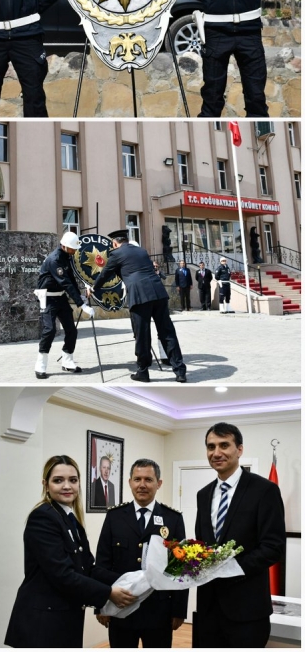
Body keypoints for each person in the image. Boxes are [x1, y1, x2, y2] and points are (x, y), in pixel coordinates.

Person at [4, 455, 135, 648]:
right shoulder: (43, 517)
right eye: (58, 480)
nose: (67, 486)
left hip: (64, 616)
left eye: (72, 480)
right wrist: (109, 593)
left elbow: (88, 568)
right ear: (45, 484)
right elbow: (62, 574)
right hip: (43, 621)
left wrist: (128, 579)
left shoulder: (70, 518)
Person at [194, 422, 285, 647]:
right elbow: (203, 544)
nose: (216, 453)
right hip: (208, 610)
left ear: (240, 450)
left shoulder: (264, 490)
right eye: (210, 446)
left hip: (247, 611)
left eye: (224, 445)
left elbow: (273, 547)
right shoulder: (203, 494)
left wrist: (228, 567)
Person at [95, 458, 187, 648]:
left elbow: (180, 568)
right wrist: (101, 604)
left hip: (159, 611)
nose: (142, 485)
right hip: (121, 607)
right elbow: (102, 563)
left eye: (148, 479)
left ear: (158, 483)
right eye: (137, 479)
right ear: (130, 482)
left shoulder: (173, 519)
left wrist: (179, 610)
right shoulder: (114, 517)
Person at [89, 230, 187, 382]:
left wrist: (93, 288)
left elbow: (105, 274)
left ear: (115, 243)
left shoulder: (116, 254)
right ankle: (180, 371)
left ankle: (143, 371)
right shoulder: (141, 251)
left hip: (140, 296)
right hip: (158, 292)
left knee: (142, 335)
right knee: (167, 332)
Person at [34, 232, 94, 378]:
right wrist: (81, 305)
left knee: (71, 330)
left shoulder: (66, 256)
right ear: (65, 246)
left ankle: (67, 360)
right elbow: (65, 282)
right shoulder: (54, 260)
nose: (75, 251)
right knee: (49, 330)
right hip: (47, 299)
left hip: (60, 297)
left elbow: (71, 278)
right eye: (73, 248)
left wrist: (79, 295)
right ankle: (40, 365)